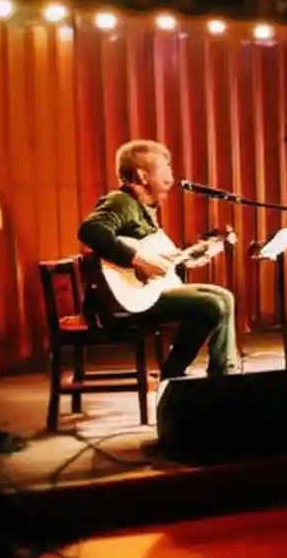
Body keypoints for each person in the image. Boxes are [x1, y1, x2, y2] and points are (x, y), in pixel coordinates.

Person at [77, 140, 238, 383]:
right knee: (213, 303)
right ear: (142, 176)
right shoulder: (121, 202)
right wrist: (138, 260)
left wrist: (195, 254)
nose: (171, 178)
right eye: (165, 169)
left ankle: (200, 373)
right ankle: (205, 375)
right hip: (121, 306)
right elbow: (91, 231)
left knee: (222, 298)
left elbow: (158, 262)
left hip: (147, 295)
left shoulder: (144, 210)